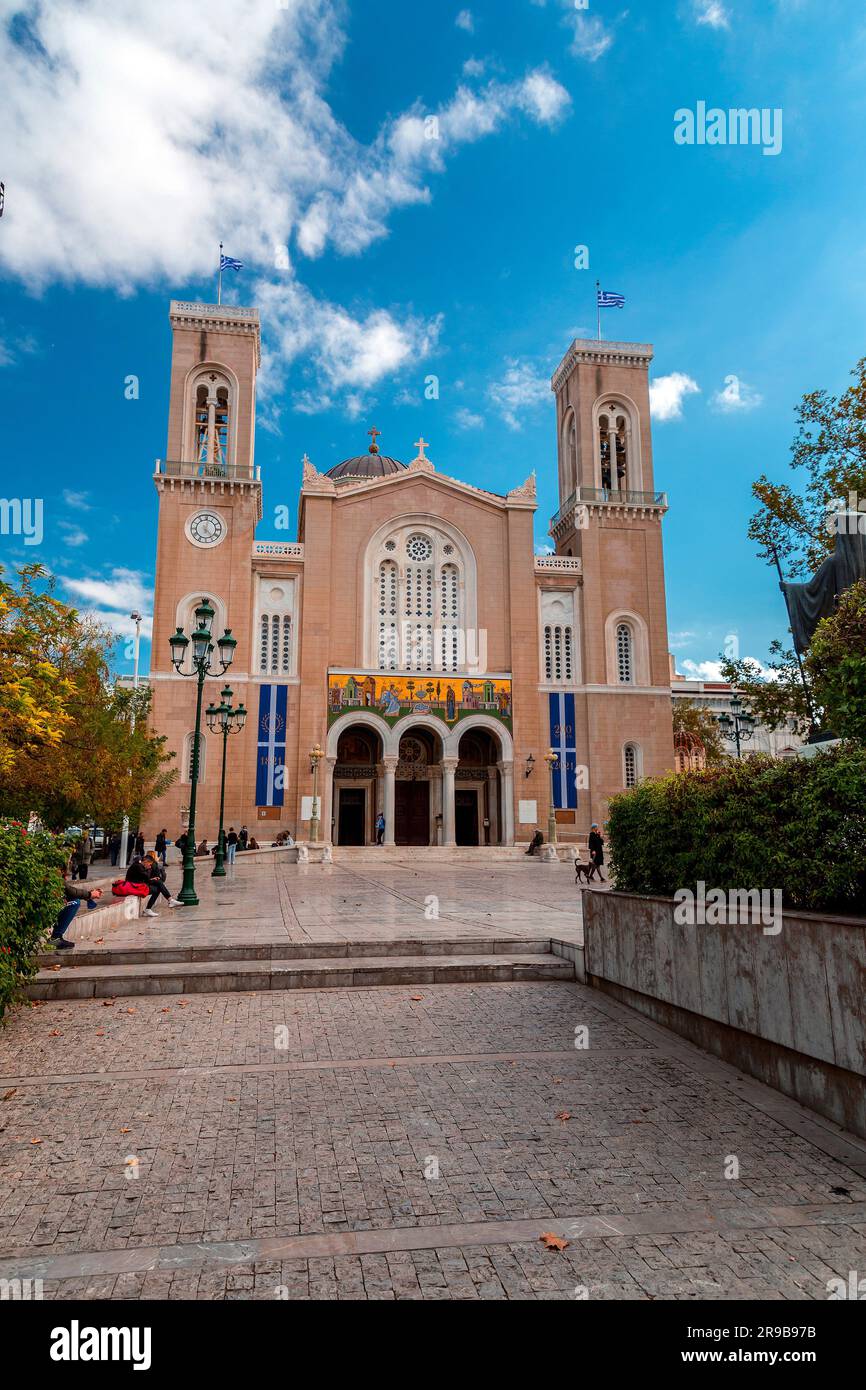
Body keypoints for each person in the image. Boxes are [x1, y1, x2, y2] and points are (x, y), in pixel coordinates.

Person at [52, 869, 103, 950]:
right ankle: (55, 938)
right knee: (75, 902)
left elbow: (68, 890)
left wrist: (88, 895)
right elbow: (69, 891)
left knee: (72, 899)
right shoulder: (51, 871)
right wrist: (89, 894)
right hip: (39, 911)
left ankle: (56, 937)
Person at [127, 852, 182, 917]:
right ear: (145, 862)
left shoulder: (139, 866)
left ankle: (169, 900)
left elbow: (145, 879)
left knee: (158, 884)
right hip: (134, 887)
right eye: (149, 865)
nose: (150, 867)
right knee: (158, 886)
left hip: (138, 885)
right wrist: (150, 874)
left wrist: (153, 878)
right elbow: (146, 878)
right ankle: (169, 900)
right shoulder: (138, 866)